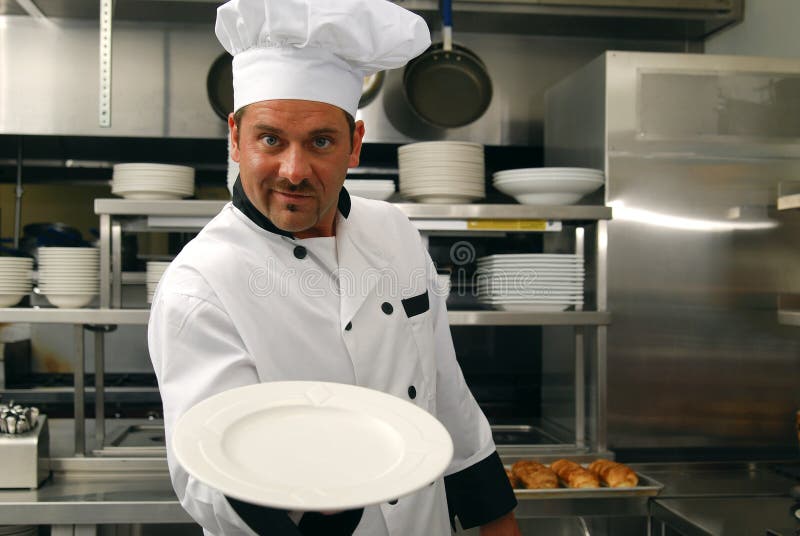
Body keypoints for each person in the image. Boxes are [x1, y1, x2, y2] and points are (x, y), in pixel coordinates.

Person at [148, 0, 521, 534]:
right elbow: (207, 475)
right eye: (270, 139)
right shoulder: (201, 285)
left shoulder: (394, 232)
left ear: (355, 146)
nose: (294, 171)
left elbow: (444, 388)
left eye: (320, 141)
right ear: (235, 138)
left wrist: (497, 519)